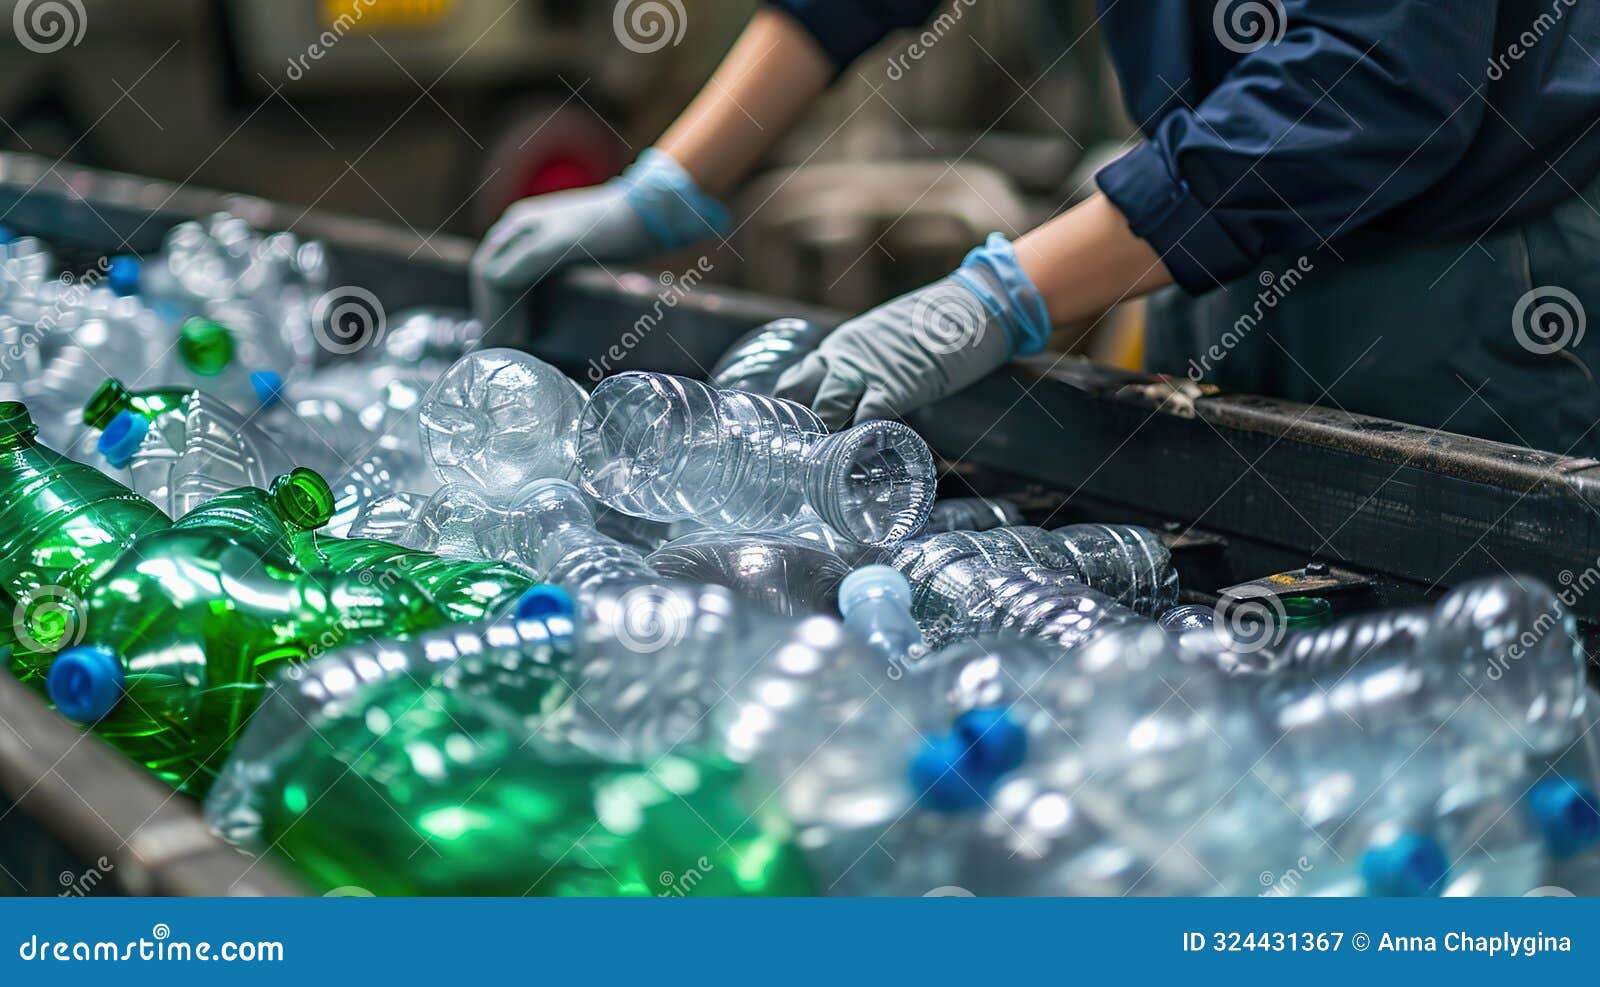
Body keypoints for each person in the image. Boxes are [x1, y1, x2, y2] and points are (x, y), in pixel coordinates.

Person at [473, 2, 1600, 454]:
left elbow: (1374, 81)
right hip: (1221, 239)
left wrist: (1003, 293)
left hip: (1475, 272)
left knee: (1473, 735)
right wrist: (673, 183)